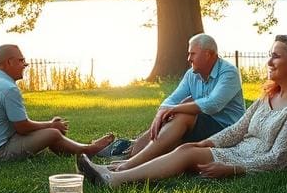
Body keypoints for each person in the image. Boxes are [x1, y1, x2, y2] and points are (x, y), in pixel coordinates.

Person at [77, 34, 287, 187]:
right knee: (188, 148)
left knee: (186, 153)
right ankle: (114, 169)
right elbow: (239, 129)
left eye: (276, 56)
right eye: (269, 55)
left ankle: (115, 179)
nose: (268, 62)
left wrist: (234, 169)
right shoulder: (271, 94)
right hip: (239, 151)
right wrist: (207, 143)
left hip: (250, 161)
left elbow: (279, 159)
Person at [103, 33, 245, 170]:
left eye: (193, 54)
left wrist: (174, 109)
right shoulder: (192, 75)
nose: (189, 58)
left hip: (227, 131)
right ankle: (130, 157)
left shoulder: (229, 73)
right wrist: (161, 113)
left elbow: (212, 105)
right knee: (172, 115)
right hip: (203, 127)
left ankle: (127, 165)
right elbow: (172, 99)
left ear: (208, 54)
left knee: (182, 114)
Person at [0, 44, 114, 161]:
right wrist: (51, 124)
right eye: (21, 60)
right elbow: (22, 128)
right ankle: (88, 150)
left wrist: (48, 125)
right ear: (9, 62)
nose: (26, 64)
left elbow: (19, 125)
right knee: (53, 133)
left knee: (50, 132)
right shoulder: (8, 88)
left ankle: (79, 148)